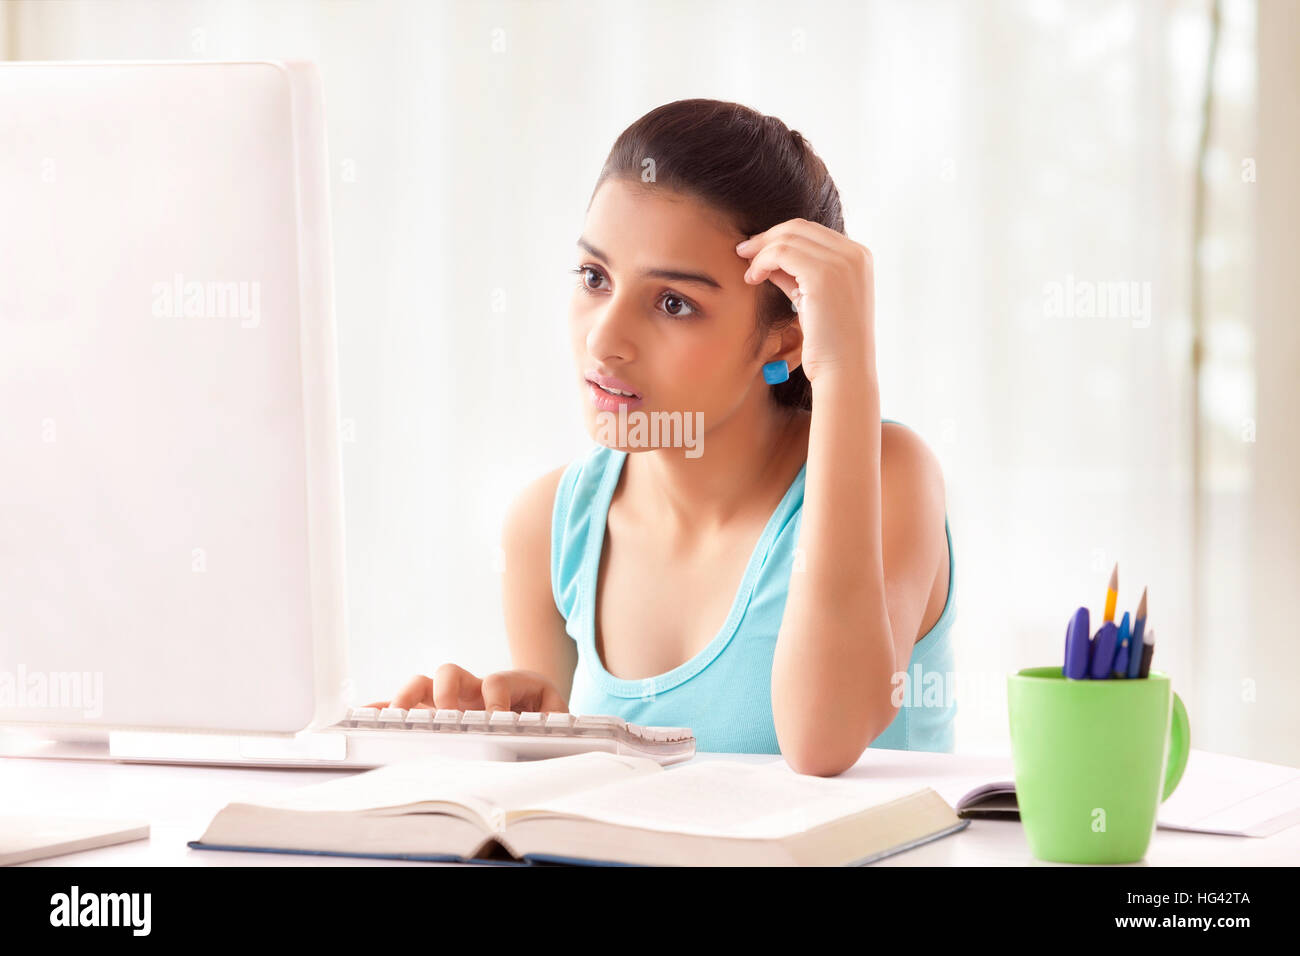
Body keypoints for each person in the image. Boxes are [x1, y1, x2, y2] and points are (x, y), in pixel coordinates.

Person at [371, 98, 956, 776]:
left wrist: (848, 372)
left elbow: (823, 741)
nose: (604, 339)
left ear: (786, 339)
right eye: (595, 278)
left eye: (673, 303)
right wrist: (502, 745)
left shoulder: (891, 475)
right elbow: (563, 803)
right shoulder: (548, 526)